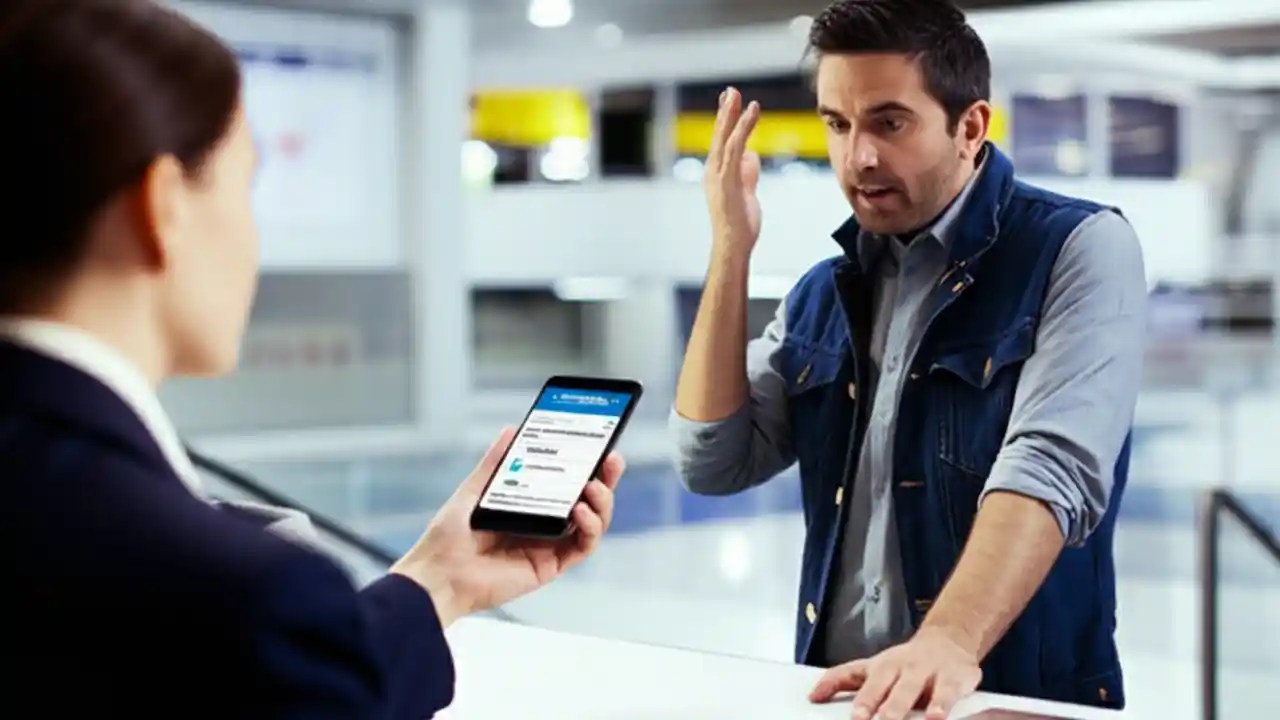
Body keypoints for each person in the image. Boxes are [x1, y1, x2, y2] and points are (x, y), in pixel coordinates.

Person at [0, 1, 623, 717]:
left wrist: (440, 580)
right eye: (244, 187)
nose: (253, 240)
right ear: (163, 204)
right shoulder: (231, 590)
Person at [670, 1, 1147, 718]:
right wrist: (731, 250)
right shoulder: (824, 293)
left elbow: (1052, 467)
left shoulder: (1075, 249)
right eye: (837, 123)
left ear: (971, 127)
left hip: (1005, 697)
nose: (857, 156)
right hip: (849, 696)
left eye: (888, 123)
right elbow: (711, 461)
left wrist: (947, 641)